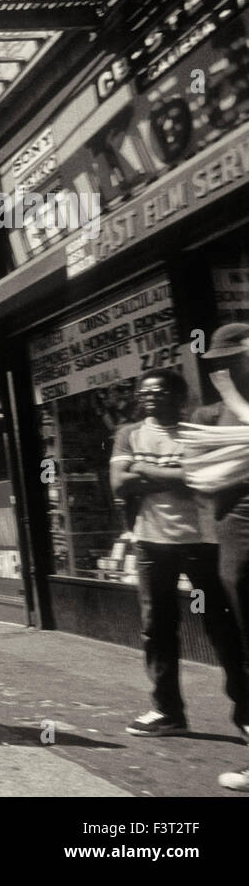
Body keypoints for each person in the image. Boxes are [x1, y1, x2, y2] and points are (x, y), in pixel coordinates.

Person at [109, 368, 248, 741]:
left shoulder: (196, 431)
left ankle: (246, 712)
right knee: (157, 629)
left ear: (179, 396)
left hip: (202, 542)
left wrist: (143, 470)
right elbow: (120, 483)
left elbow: (202, 481)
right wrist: (174, 475)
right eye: (145, 393)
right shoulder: (129, 434)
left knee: (223, 629)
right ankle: (167, 711)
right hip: (152, 545)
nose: (150, 398)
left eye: (159, 392)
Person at [189, 324, 249, 791]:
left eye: (234, 360)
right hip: (236, 544)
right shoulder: (210, 415)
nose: (223, 369)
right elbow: (202, 478)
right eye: (220, 363)